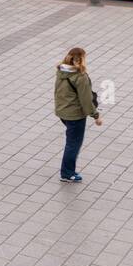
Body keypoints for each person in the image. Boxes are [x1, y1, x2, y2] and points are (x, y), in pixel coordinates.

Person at [54, 46, 102, 183]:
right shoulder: (80, 77)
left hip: (63, 112)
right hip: (75, 115)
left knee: (71, 141)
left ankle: (67, 170)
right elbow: (86, 100)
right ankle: (67, 173)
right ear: (81, 59)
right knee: (73, 144)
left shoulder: (61, 71)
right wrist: (96, 115)